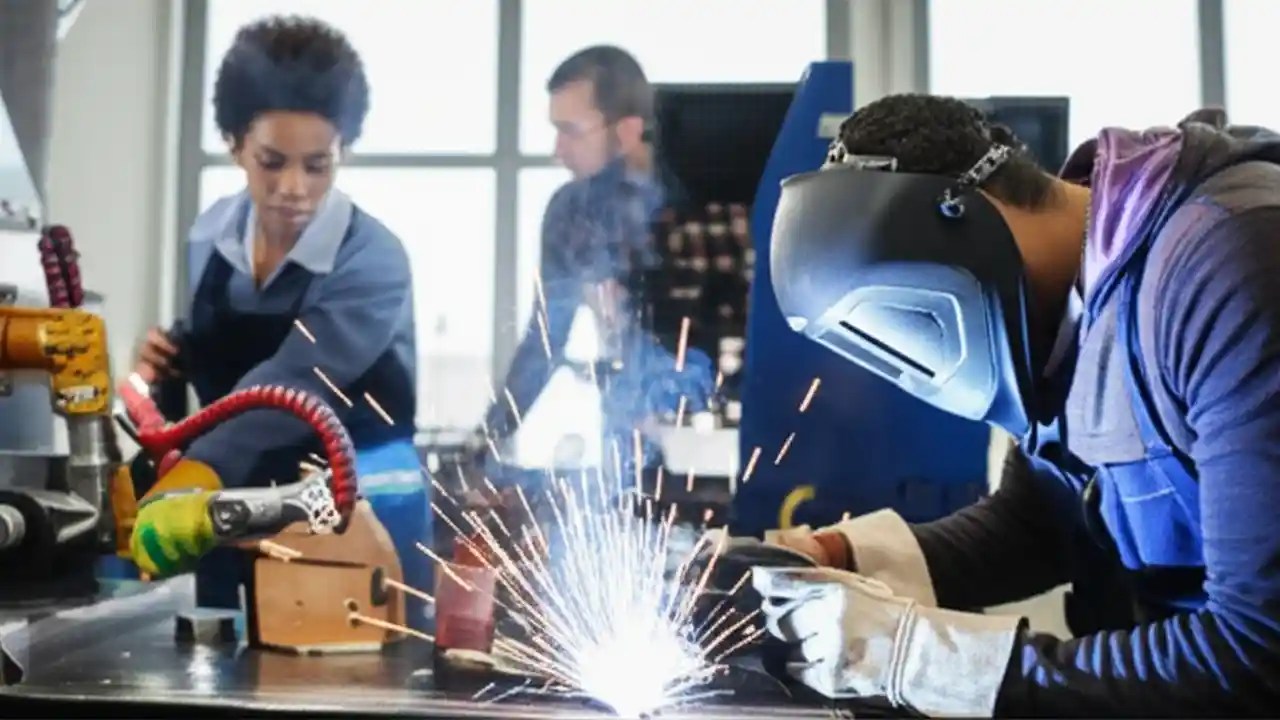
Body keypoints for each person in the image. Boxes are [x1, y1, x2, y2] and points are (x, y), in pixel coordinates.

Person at [734, 94, 1280, 716]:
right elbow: (1047, 520)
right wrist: (845, 560)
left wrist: (916, 658)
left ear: (962, 219)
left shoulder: (1231, 265)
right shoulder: (1075, 296)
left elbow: (1259, 652)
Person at [128, 16, 430, 626]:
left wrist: (191, 476)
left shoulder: (373, 258)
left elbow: (296, 379)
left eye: (318, 165)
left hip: (354, 513)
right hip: (224, 505)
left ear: (344, 149)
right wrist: (175, 353)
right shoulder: (210, 234)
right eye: (272, 161)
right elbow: (236, 351)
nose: (294, 187)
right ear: (235, 143)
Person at [480, 45, 712, 484]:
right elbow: (546, 338)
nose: (557, 151)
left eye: (570, 131)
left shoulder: (703, 202)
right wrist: (489, 440)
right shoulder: (570, 213)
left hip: (720, 429)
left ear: (626, 132)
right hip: (627, 433)